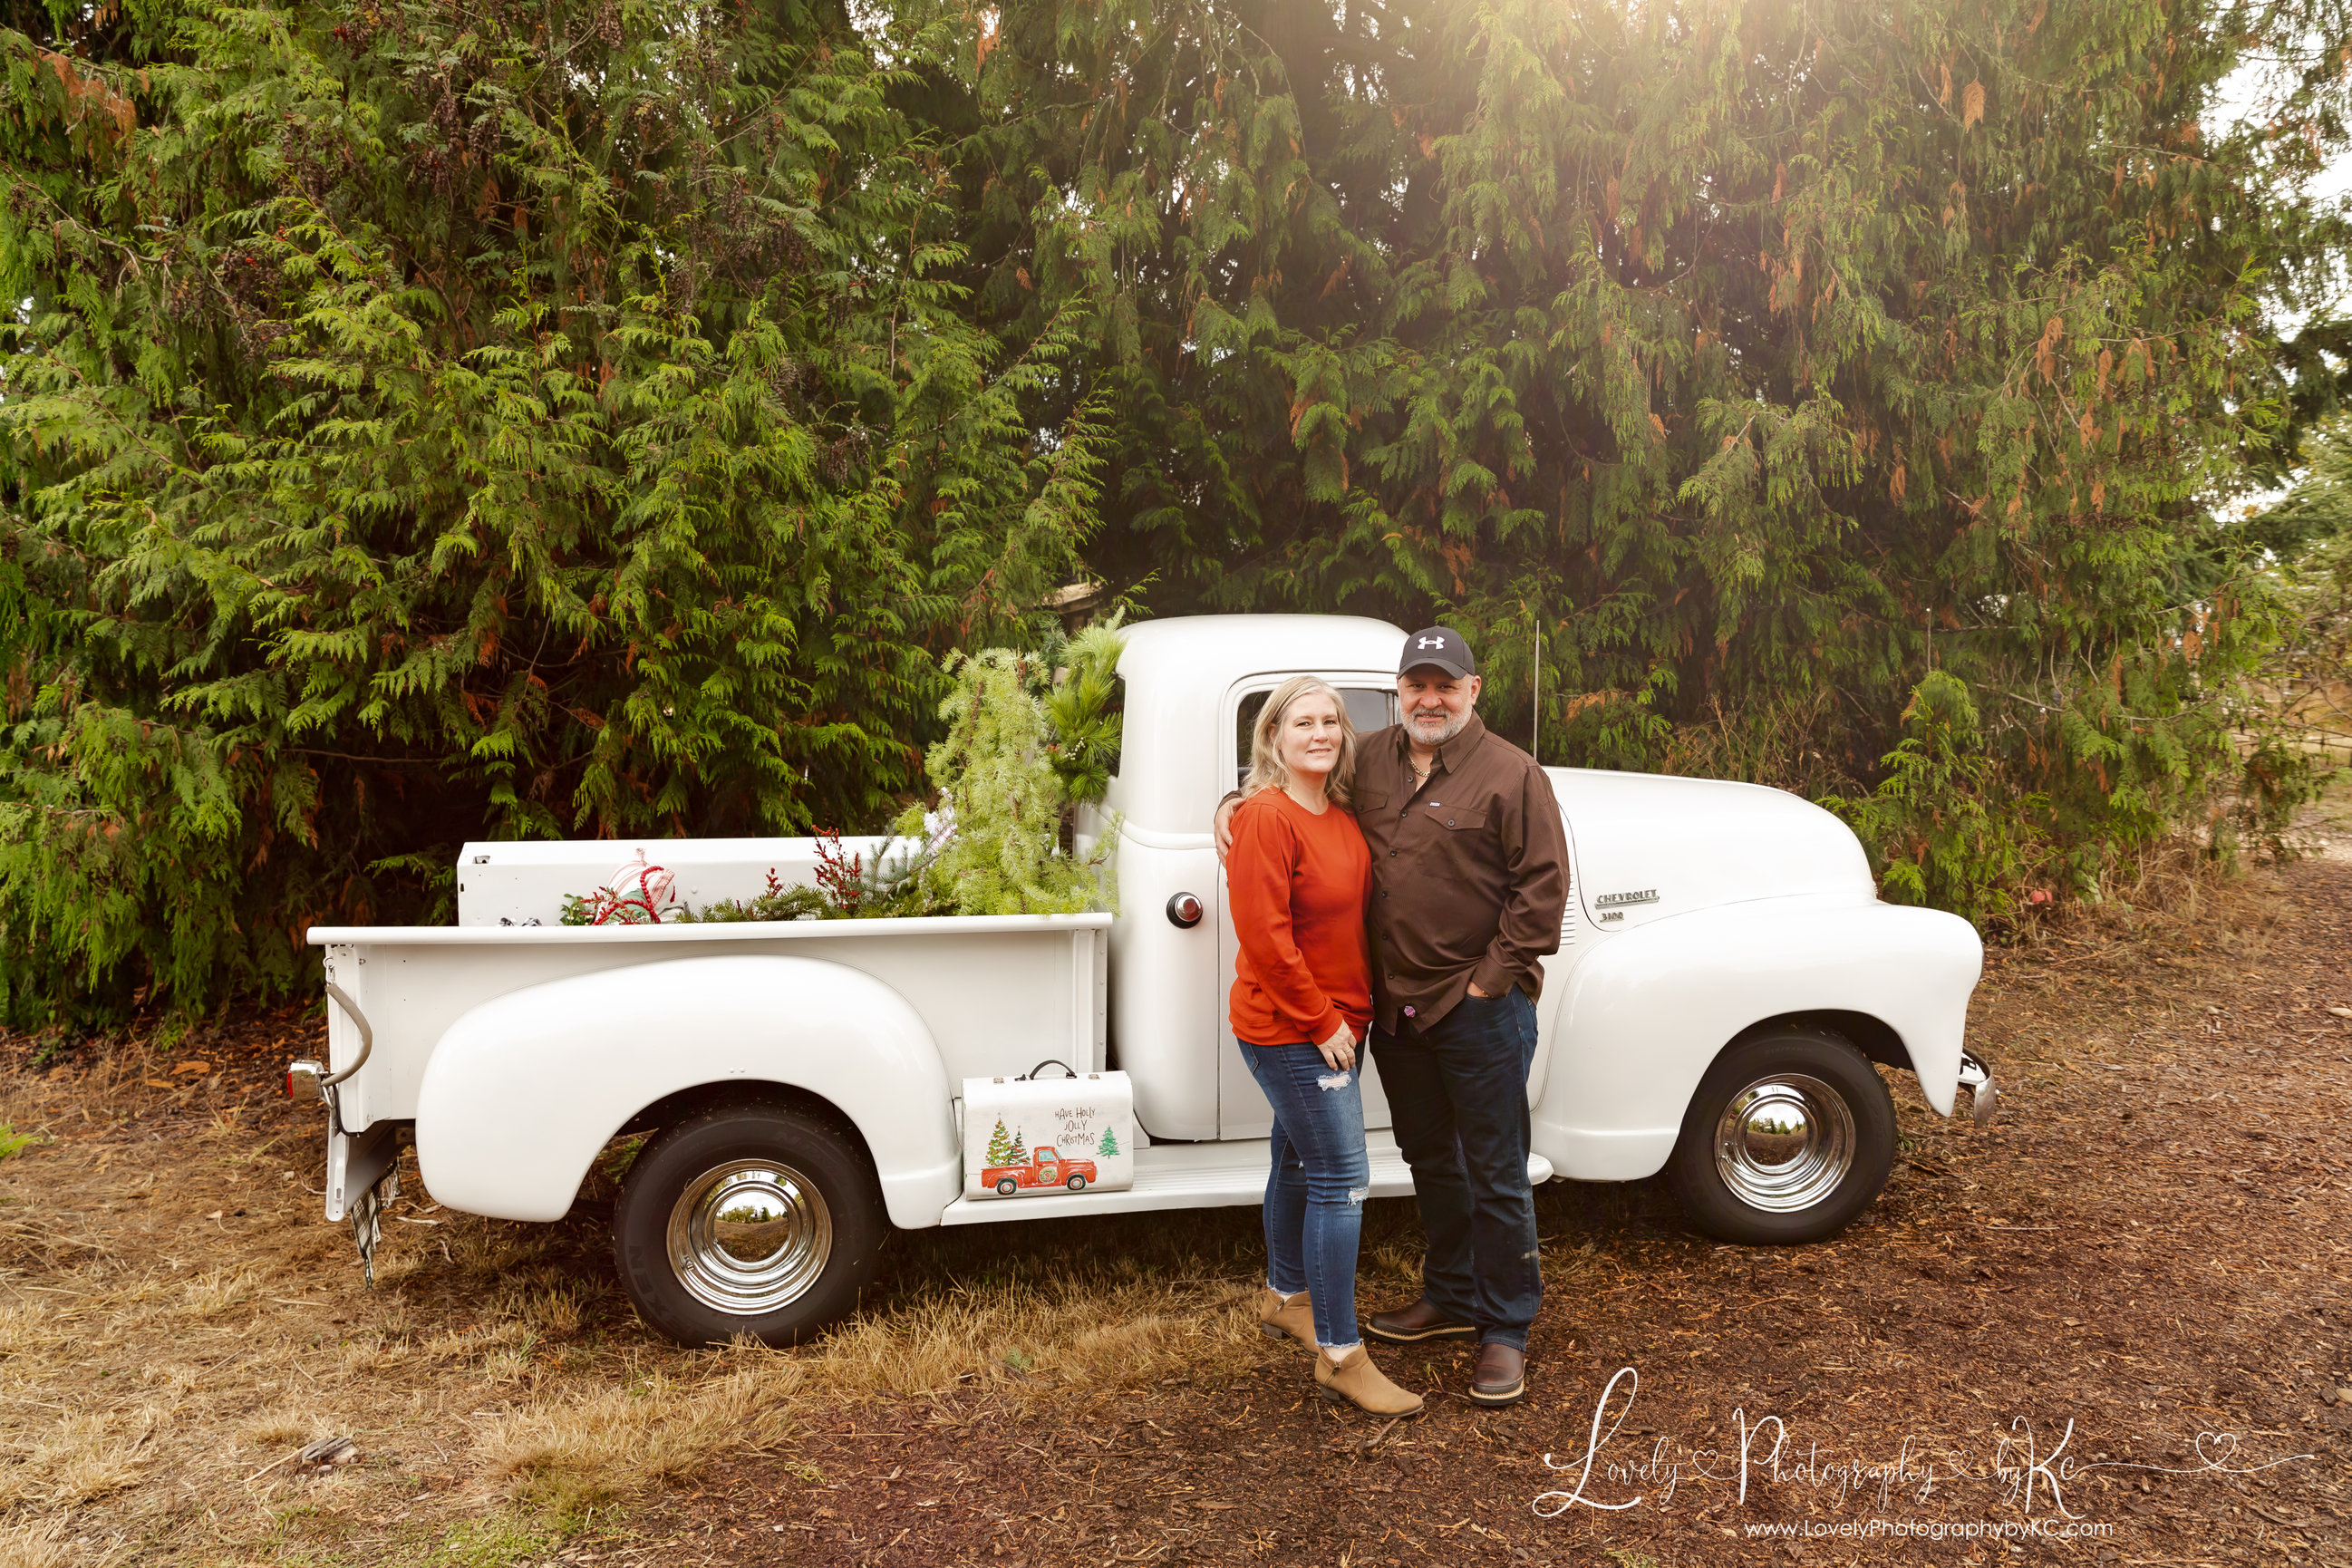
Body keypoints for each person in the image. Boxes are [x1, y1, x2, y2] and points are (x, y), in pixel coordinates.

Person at [1217, 627, 1569, 1408]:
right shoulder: (1367, 756)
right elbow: (1287, 791)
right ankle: (1447, 1294)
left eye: (1445, 685)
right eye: (1416, 684)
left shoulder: (1513, 775)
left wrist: (1487, 986)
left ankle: (1504, 1328)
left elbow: (1540, 895)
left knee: (1496, 1169)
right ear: (1399, 692)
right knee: (1428, 1159)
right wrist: (1232, 803)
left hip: (1474, 1008)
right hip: (1398, 1012)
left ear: (1472, 691)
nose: (1429, 699)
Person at [1224, 674, 1423, 1418]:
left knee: (1294, 1159)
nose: (1320, 732)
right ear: (1272, 738)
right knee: (1341, 1177)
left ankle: (1285, 1295)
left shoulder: (1339, 818)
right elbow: (1266, 939)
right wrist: (1321, 1022)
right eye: (1302, 722)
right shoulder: (1263, 818)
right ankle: (1340, 1353)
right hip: (1293, 1028)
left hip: (1341, 1022)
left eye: (1331, 721)